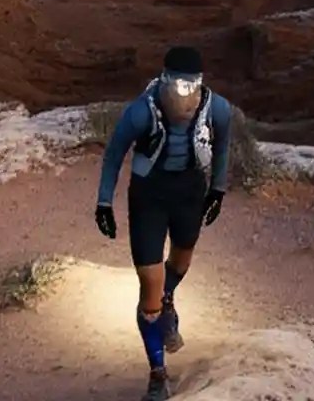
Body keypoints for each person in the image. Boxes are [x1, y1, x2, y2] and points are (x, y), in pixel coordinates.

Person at [94, 45, 232, 401]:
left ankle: (167, 297)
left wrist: (217, 190)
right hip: (149, 196)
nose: (188, 93)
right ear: (166, 79)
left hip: (189, 193)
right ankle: (158, 373)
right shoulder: (142, 112)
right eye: (181, 85)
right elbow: (114, 154)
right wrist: (104, 202)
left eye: (194, 85)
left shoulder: (217, 109)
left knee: (181, 261)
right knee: (149, 287)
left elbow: (223, 147)